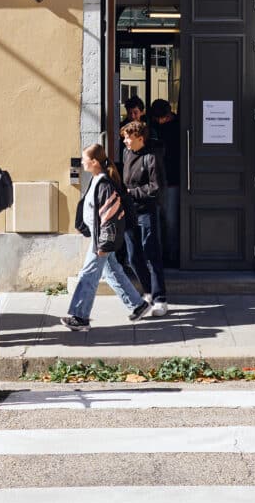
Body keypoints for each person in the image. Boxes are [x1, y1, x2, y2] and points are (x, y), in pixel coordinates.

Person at [60, 143, 153, 330]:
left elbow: (110, 217)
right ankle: (138, 304)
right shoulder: (97, 179)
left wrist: (104, 245)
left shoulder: (104, 184)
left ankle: (80, 317)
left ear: (94, 161)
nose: (83, 162)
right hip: (99, 237)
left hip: (101, 240)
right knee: (112, 272)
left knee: (88, 275)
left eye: (85, 159)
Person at [119, 120, 169, 315]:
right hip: (130, 211)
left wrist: (133, 193)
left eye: (128, 138)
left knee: (152, 254)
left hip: (146, 210)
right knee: (132, 257)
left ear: (140, 138)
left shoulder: (152, 157)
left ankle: (160, 299)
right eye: (124, 137)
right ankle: (148, 291)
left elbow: (157, 187)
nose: (125, 141)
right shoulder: (126, 153)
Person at [148, 99, 183, 269]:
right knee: (157, 220)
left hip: (172, 181)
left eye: (163, 118)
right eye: (158, 118)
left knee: (170, 221)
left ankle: (173, 255)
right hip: (156, 180)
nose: (161, 121)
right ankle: (158, 254)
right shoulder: (153, 126)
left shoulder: (179, 127)